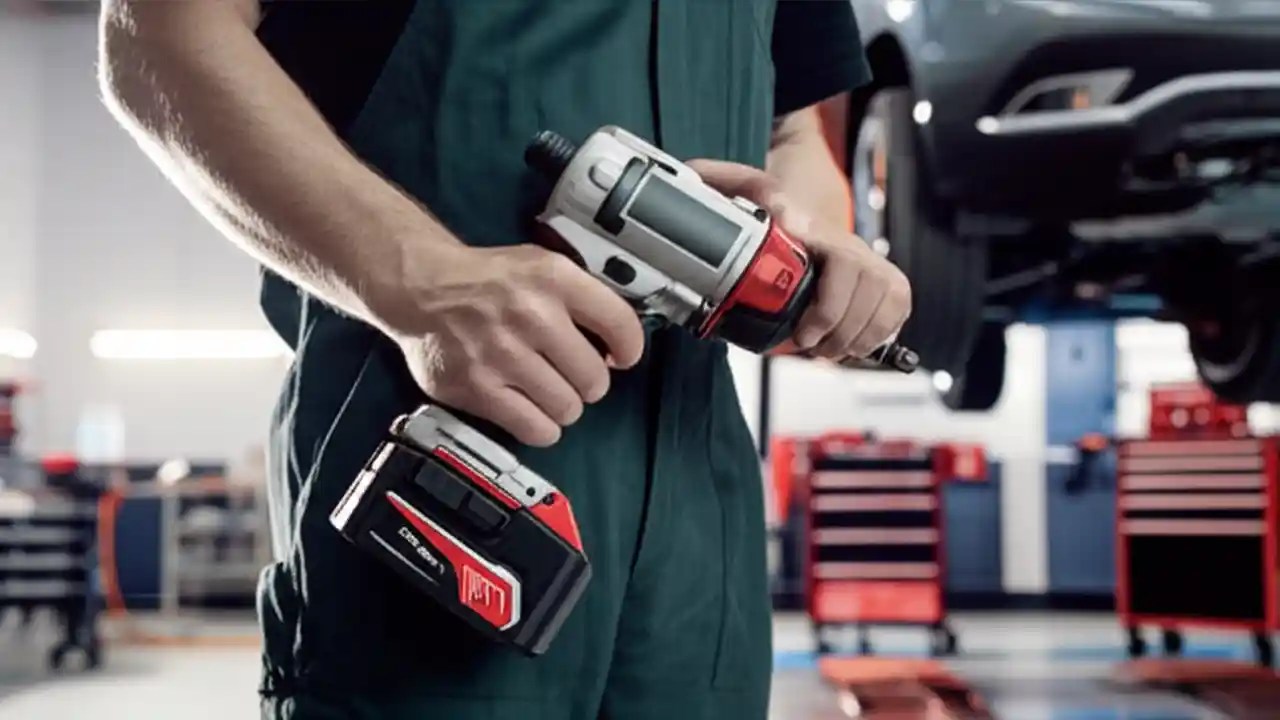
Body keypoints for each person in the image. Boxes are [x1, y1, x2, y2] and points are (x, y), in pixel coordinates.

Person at [98, 1, 910, 718]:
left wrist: (805, 235)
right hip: (435, 495)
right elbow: (158, 31)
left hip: (703, 541)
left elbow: (793, 127)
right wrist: (418, 281)